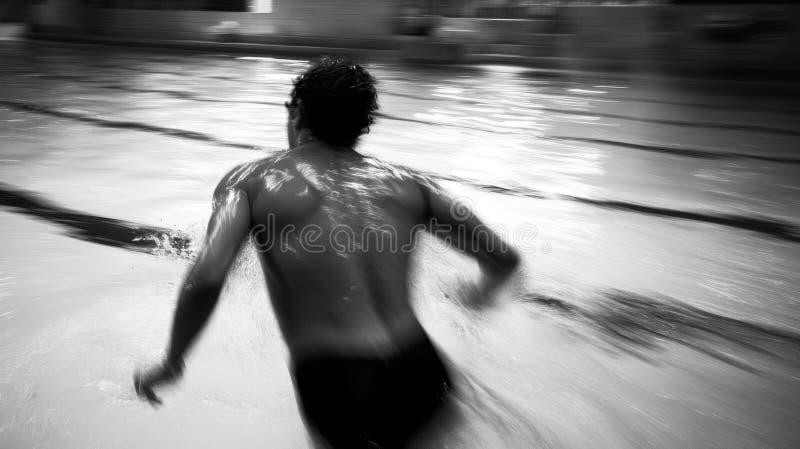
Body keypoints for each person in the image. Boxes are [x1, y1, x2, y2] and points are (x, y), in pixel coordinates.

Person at [134, 56, 520, 448]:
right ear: (361, 125)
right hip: (420, 368)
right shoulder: (410, 184)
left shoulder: (251, 181)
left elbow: (208, 276)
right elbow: (504, 259)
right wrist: (477, 295)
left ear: (298, 110)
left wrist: (172, 360)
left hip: (336, 380)